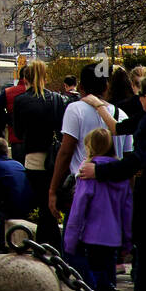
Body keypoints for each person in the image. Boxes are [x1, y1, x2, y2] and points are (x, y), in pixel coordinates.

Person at [80, 72, 146, 291]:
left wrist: (100, 170)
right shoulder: (144, 117)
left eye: (140, 95)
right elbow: (118, 128)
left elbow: (137, 159)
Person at [63, 127, 132, 291]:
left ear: (90, 147)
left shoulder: (88, 172)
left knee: (93, 282)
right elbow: (127, 209)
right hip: (114, 236)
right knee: (109, 278)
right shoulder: (120, 172)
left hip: (92, 236)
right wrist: (127, 240)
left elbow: (78, 208)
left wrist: (70, 239)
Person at [49, 63, 118, 225]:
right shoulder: (119, 115)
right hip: (113, 191)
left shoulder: (75, 110)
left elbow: (66, 152)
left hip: (83, 189)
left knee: (72, 243)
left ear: (80, 87)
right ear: (106, 87)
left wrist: (53, 190)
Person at [8, 59, 67, 247]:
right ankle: (52, 242)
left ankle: (45, 242)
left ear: (25, 77)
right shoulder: (56, 99)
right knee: (48, 201)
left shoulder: (21, 100)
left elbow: (17, 132)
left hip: (33, 156)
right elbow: (60, 128)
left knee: (42, 201)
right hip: (53, 156)